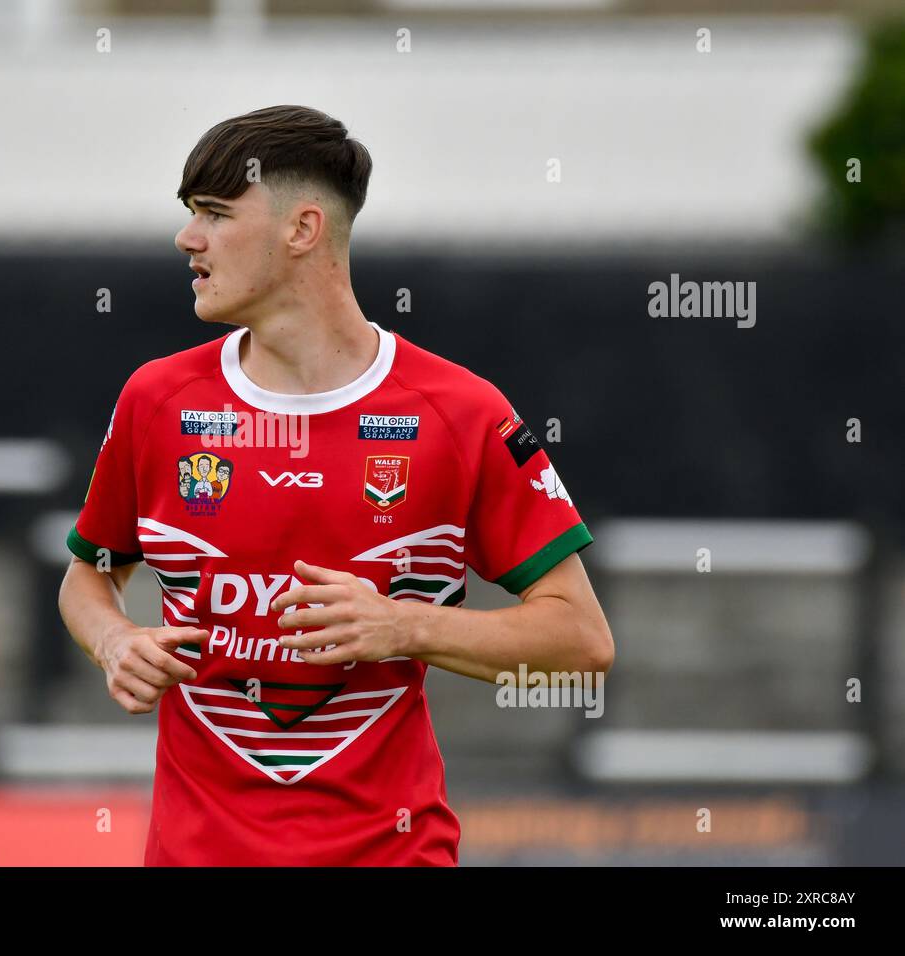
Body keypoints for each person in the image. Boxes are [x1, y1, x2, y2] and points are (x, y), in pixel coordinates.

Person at [58, 105, 614, 866]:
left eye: (215, 215)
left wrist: (405, 627)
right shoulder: (157, 402)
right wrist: (115, 638)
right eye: (189, 215)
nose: (187, 239)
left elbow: (581, 640)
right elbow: (87, 579)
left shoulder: (458, 413)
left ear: (303, 229)